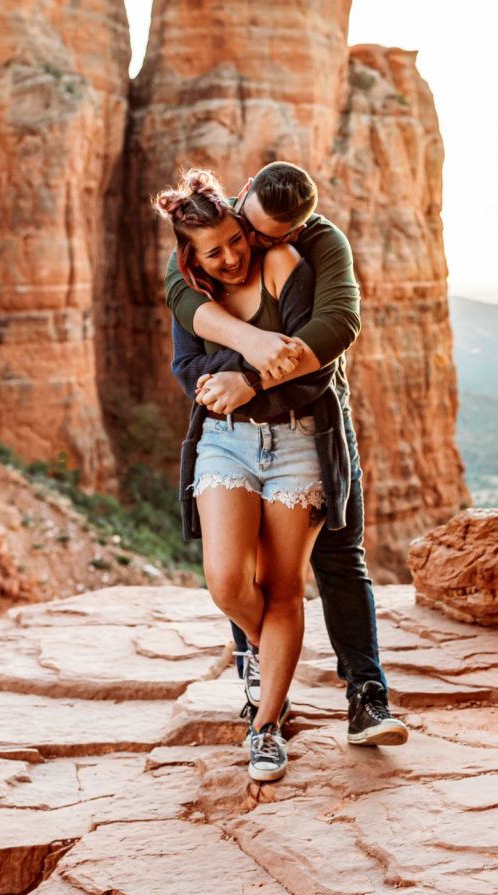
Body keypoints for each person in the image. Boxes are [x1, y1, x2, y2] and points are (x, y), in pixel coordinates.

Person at [163, 160, 408, 749]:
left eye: (274, 237)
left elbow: (338, 325)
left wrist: (250, 378)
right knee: (239, 564)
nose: (255, 247)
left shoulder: (315, 243)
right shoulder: (218, 232)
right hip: (235, 438)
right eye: (255, 231)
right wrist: (249, 346)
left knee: (340, 556)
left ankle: (366, 696)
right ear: (240, 197)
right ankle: (261, 664)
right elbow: (179, 295)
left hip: (314, 422)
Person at [157, 168, 338, 781]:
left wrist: (245, 379)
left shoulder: (285, 264)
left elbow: (312, 366)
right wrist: (250, 358)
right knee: (227, 582)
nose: (233, 256)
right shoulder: (191, 293)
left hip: (295, 441)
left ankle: (266, 726)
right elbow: (189, 370)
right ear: (192, 255)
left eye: (238, 240)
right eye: (216, 251)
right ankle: (270, 655)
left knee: (284, 586)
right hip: (226, 445)